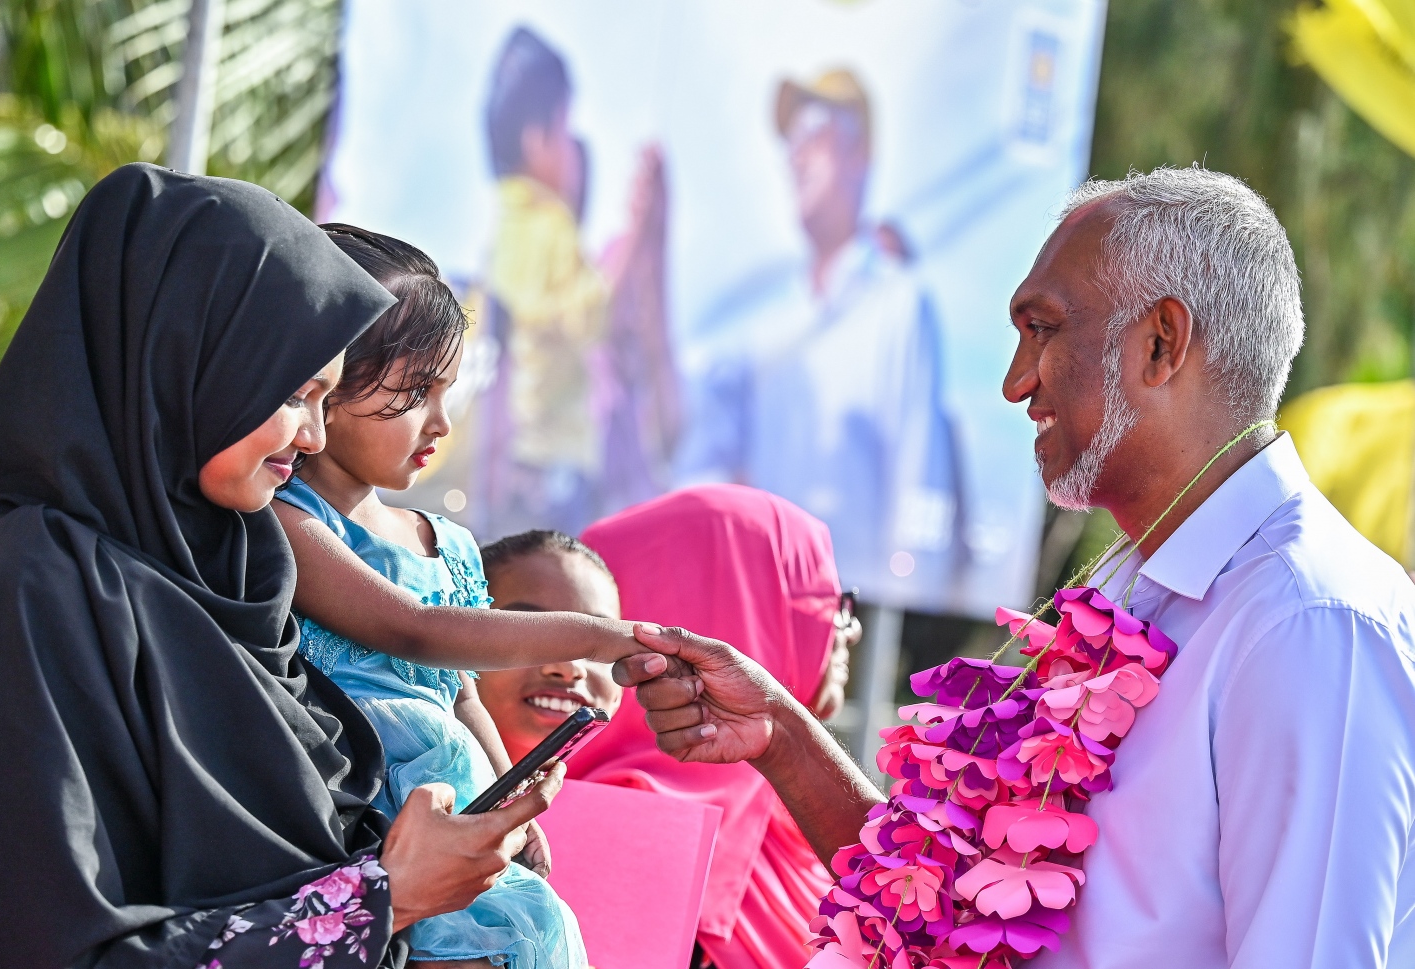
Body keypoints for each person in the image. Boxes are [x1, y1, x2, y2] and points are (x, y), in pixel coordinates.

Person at [619, 166, 1415, 968]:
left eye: (1043, 328)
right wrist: (780, 736)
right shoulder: (1127, 584)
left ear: (1161, 343)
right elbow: (954, 911)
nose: (1016, 382)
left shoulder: (1308, 623)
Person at [0, 163, 564, 967]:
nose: (314, 435)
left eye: (325, 398)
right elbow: (29, 938)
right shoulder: (39, 581)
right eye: (294, 393)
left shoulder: (243, 573)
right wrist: (384, 899)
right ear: (185, 360)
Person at [273, 225, 661, 968]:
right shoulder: (288, 519)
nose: (442, 422)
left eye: (448, 391)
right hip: (367, 818)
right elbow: (413, 629)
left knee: (530, 926)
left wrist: (508, 801)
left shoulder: (445, 542)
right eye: (415, 391)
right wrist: (598, 636)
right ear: (328, 380)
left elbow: (461, 695)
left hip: (460, 812)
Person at [675, 68, 964, 609]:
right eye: (792, 141)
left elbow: (918, 483)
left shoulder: (898, 306)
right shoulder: (764, 324)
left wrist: (901, 606)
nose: (796, 157)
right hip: (749, 609)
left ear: (860, 156)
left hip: (851, 620)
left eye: (815, 135)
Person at [563, 484, 860, 969]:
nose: (852, 628)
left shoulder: (788, 820)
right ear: (757, 606)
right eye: (838, 600)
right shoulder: (630, 844)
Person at [453, 24, 676, 537]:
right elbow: (596, 316)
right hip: (551, 467)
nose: (575, 148)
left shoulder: (508, 225)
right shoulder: (547, 223)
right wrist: (641, 224)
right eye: (564, 128)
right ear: (537, 139)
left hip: (515, 465)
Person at [475, 530, 626, 763]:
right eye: (529, 632)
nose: (568, 668)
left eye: (597, 643)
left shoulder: (639, 785)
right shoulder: (417, 782)